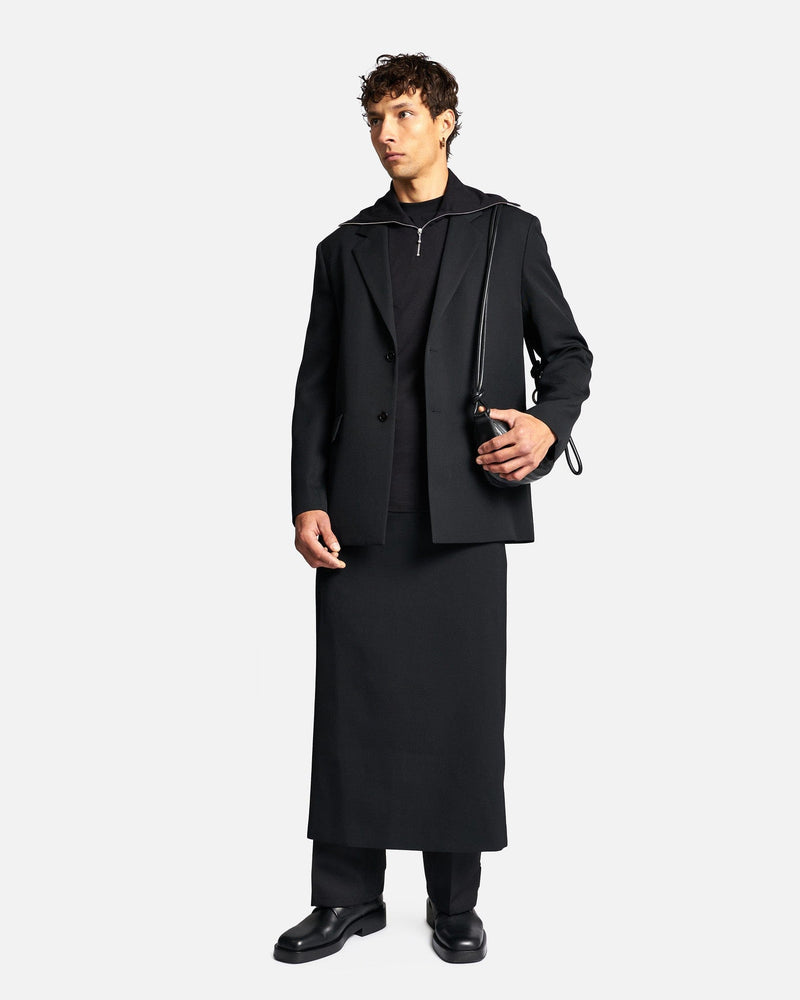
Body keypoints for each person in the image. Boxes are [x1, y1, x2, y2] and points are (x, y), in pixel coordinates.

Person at [274, 52, 592, 965]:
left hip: (466, 508)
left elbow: (567, 355)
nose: (387, 134)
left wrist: (547, 424)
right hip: (362, 513)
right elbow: (315, 388)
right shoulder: (344, 247)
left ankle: (454, 904)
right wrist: (307, 499)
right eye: (376, 119)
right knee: (352, 710)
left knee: (460, 711)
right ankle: (346, 899)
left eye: (405, 114)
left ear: (446, 121)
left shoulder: (507, 231)